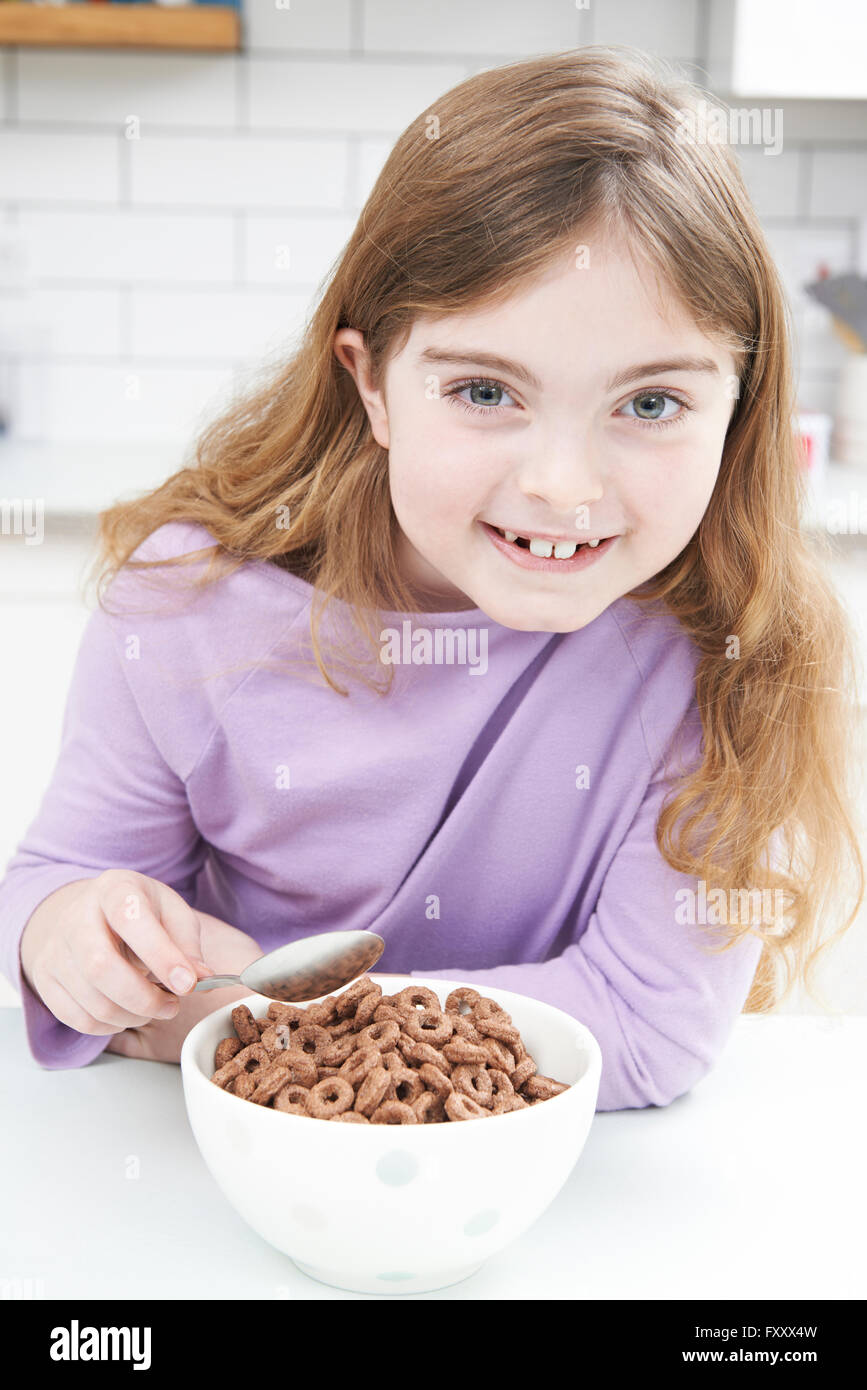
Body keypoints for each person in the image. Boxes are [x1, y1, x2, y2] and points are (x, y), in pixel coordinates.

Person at [1, 47, 861, 1111]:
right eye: (485, 390)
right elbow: (55, 884)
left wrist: (237, 1029)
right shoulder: (185, 607)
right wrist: (73, 936)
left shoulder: (723, 646)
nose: (561, 484)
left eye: (649, 405)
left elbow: (647, 1022)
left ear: (739, 408)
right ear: (371, 386)